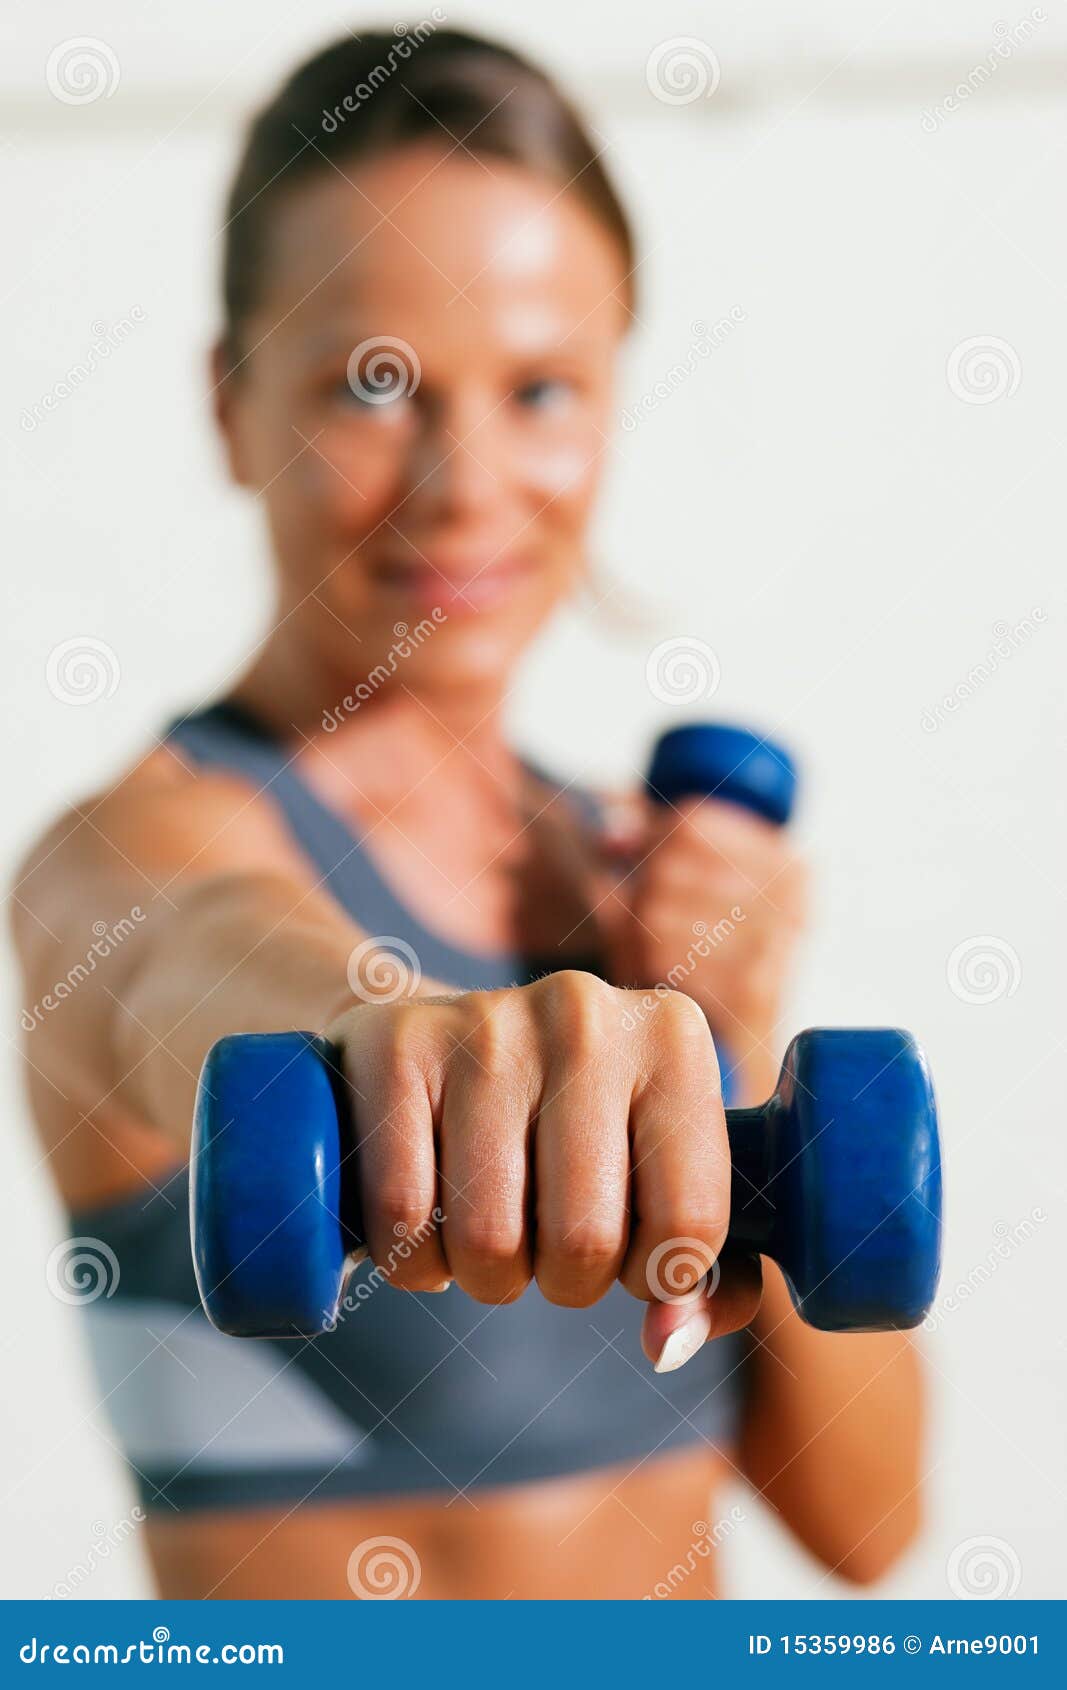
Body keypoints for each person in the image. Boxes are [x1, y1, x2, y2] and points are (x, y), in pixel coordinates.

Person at [12, 27, 922, 1600]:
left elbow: (871, 1527)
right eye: (374, 387)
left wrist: (729, 1034)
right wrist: (393, 1026)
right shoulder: (131, 857)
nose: (467, 481)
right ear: (232, 407)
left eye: (543, 388)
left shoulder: (635, 876)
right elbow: (197, 953)